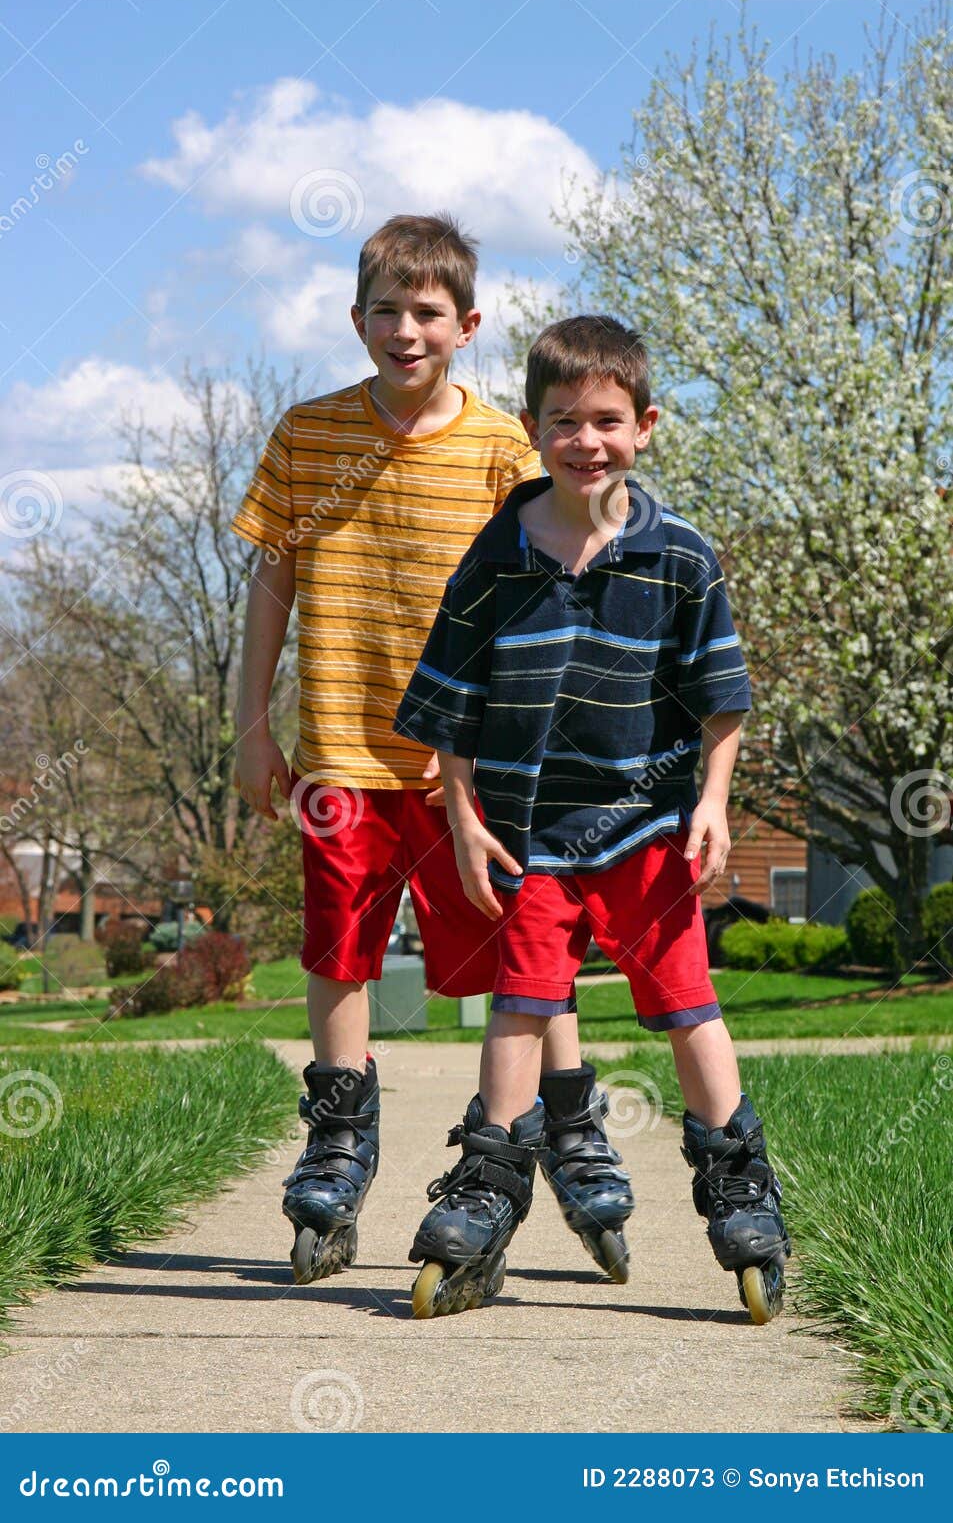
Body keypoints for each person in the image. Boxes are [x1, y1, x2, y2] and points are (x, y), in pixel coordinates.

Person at [230, 217, 631, 1286]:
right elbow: (270, 584)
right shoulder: (306, 435)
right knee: (338, 948)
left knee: (520, 948)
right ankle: (338, 1139)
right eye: (385, 310)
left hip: (480, 765)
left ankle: (566, 1119)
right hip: (342, 748)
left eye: (426, 312)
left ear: (467, 325)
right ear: (354, 318)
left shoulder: (504, 448)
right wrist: (251, 724)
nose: (404, 330)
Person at [394, 313, 791, 1324]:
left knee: (687, 1003)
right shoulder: (496, 556)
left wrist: (712, 803)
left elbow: (720, 699)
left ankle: (738, 1182)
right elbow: (451, 705)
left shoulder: (680, 558)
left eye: (607, 420)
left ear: (644, 426)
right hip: (528, 833)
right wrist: (464, 817)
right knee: (520, 1003)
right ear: (531, 427)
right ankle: (487, 1183)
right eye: (563, 421)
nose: (586, 440)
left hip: (646, 828)